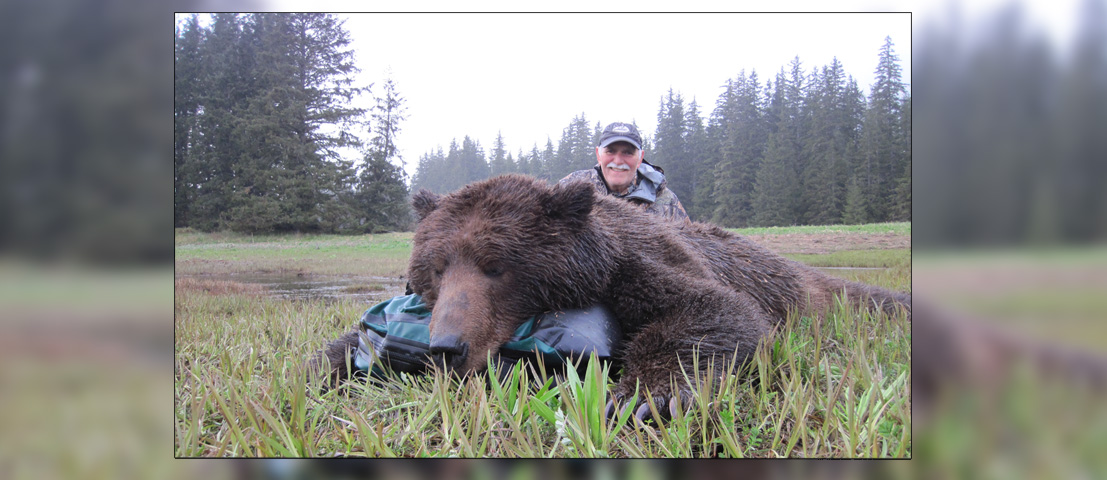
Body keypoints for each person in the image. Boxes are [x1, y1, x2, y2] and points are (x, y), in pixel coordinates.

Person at [558, 121, 688, 222]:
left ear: (640, 158)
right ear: (598, 154)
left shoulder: (666, 202)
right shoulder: (569, 191)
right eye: (611, 151)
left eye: (628, 153)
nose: (618, 161)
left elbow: (691, 250)